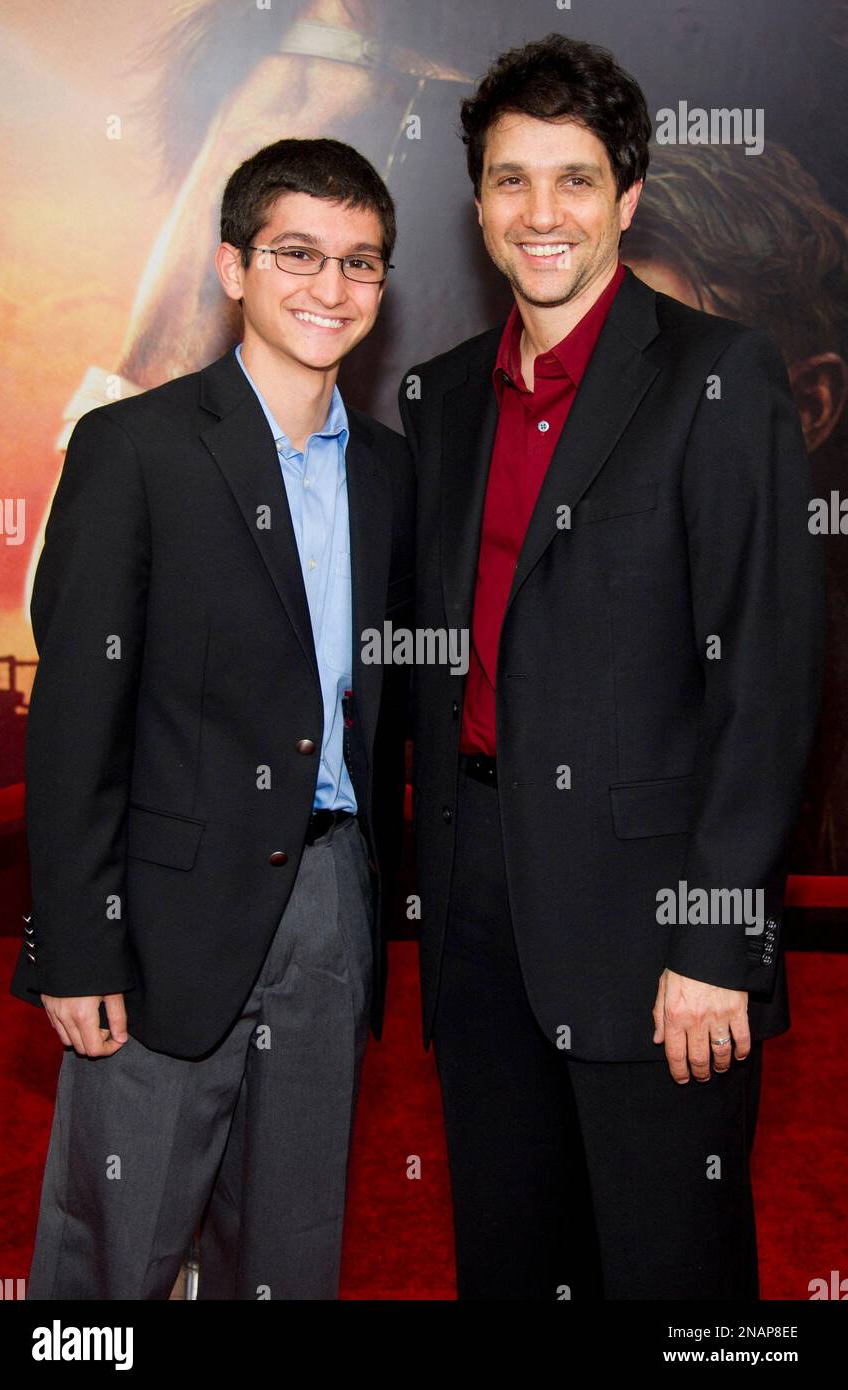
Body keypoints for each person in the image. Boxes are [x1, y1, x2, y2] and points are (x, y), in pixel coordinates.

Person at [398, 33, 825, 1300]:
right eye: (510, 180)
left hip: (656, 929)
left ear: (625, 200)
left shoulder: (716, 375)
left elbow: (766, 680)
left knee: (669, 1274)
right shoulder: (437, 400)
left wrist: (714, 939)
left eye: (573, 180)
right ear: (475, 202)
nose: (541, 213)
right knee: (510, 1262)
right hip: (473, 905)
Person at [11, 137, 414, 1300]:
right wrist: (73, 942)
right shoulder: (133, 447)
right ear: (233, 265)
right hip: (159, 916)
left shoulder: (390, 474)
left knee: (289, 1257)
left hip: (331, 907)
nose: (328, 288)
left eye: (359, 263)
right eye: (297, 253)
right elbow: (77, 716)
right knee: (112, 1260)